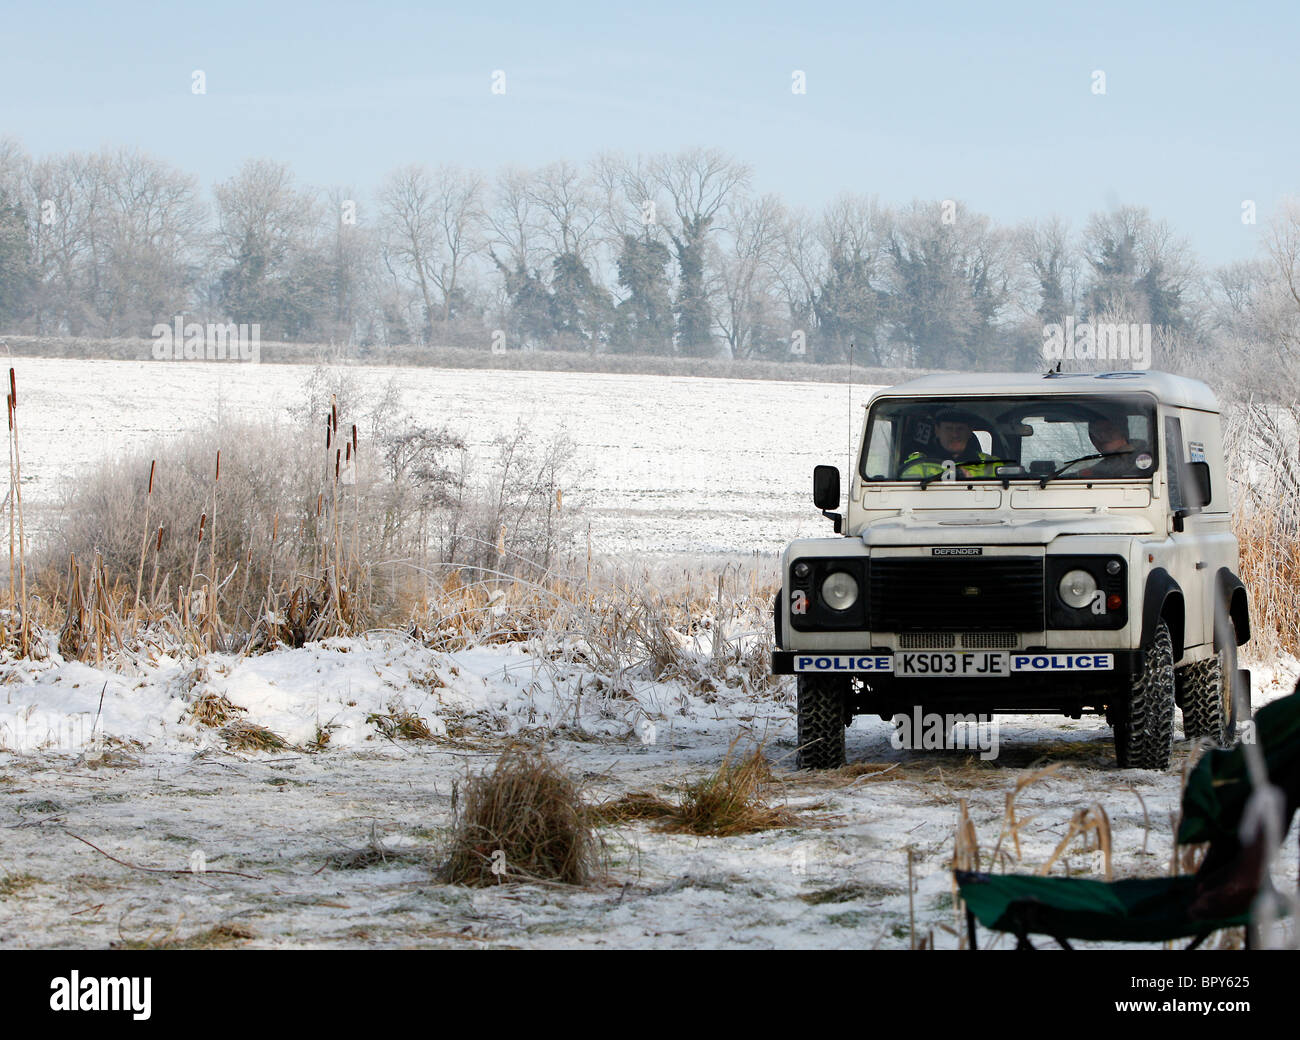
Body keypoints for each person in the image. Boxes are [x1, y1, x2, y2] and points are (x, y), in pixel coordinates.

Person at [898, 409, 1001, 479]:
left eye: (960, 429)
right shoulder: (918, 464)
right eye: (948, 429)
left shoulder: (992, 464)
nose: (955, 434)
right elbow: (907, 494)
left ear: (970, 432)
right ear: (937, 431)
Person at [1078, 415, 1148, 477]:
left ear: (1123, 432)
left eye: (1108, 430)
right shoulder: (1101, 468)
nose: (1102, 436)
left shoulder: (1147, 460)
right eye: (1096, 432)